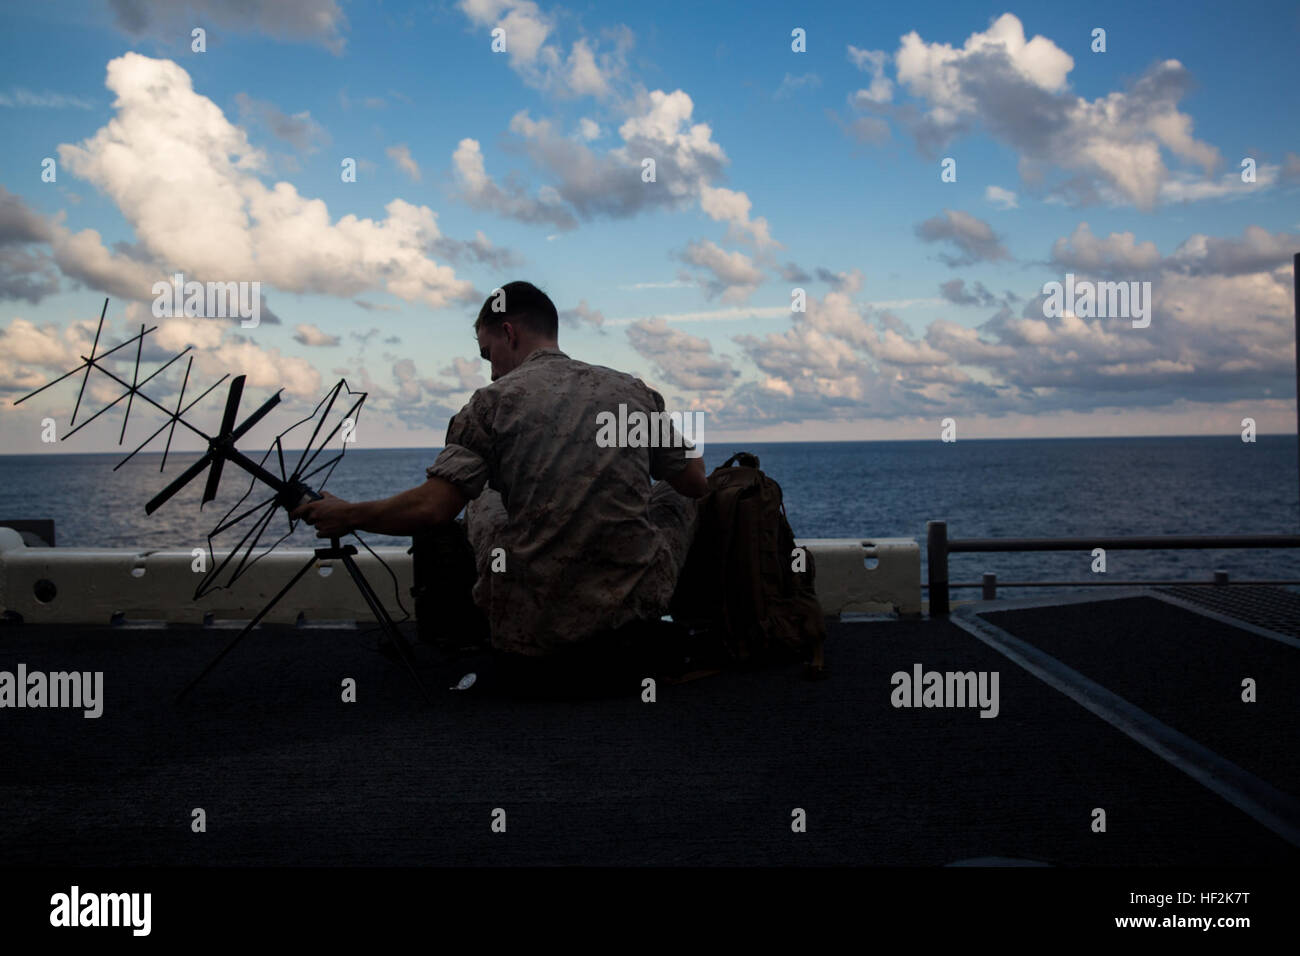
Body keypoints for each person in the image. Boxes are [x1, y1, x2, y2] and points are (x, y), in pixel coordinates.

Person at [291, 281, 707, 695]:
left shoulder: (492, 402)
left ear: (509, 333)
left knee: (483, 497)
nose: (490, 369)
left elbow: (432, 509)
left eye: (487, 353)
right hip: (631, 626)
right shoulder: (630, 392)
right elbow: (694, 481)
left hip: (531, 643)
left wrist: (347, 514)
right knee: (675, 496)